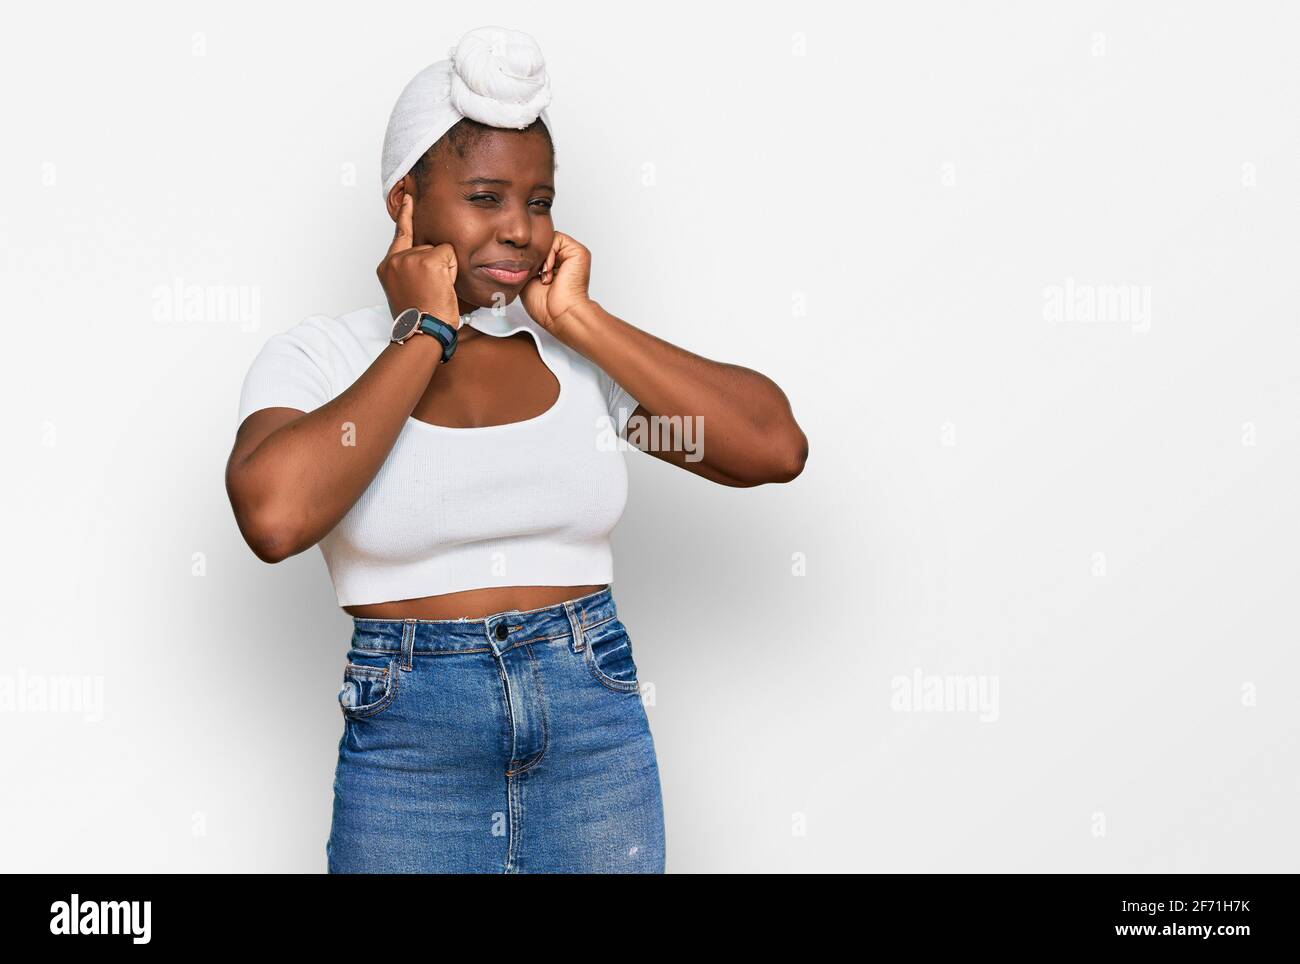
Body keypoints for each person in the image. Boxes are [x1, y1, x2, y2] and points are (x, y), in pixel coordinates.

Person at [225, 25, 808, 873]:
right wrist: (422, 331)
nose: (521, 230)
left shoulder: (578, 370)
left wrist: (582, 321)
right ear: (406, 205)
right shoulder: (326, 360)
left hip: (592, 724)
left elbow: (770, 447)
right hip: (411, 747)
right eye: (487, 197)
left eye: (538, 202)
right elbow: (274, 516)